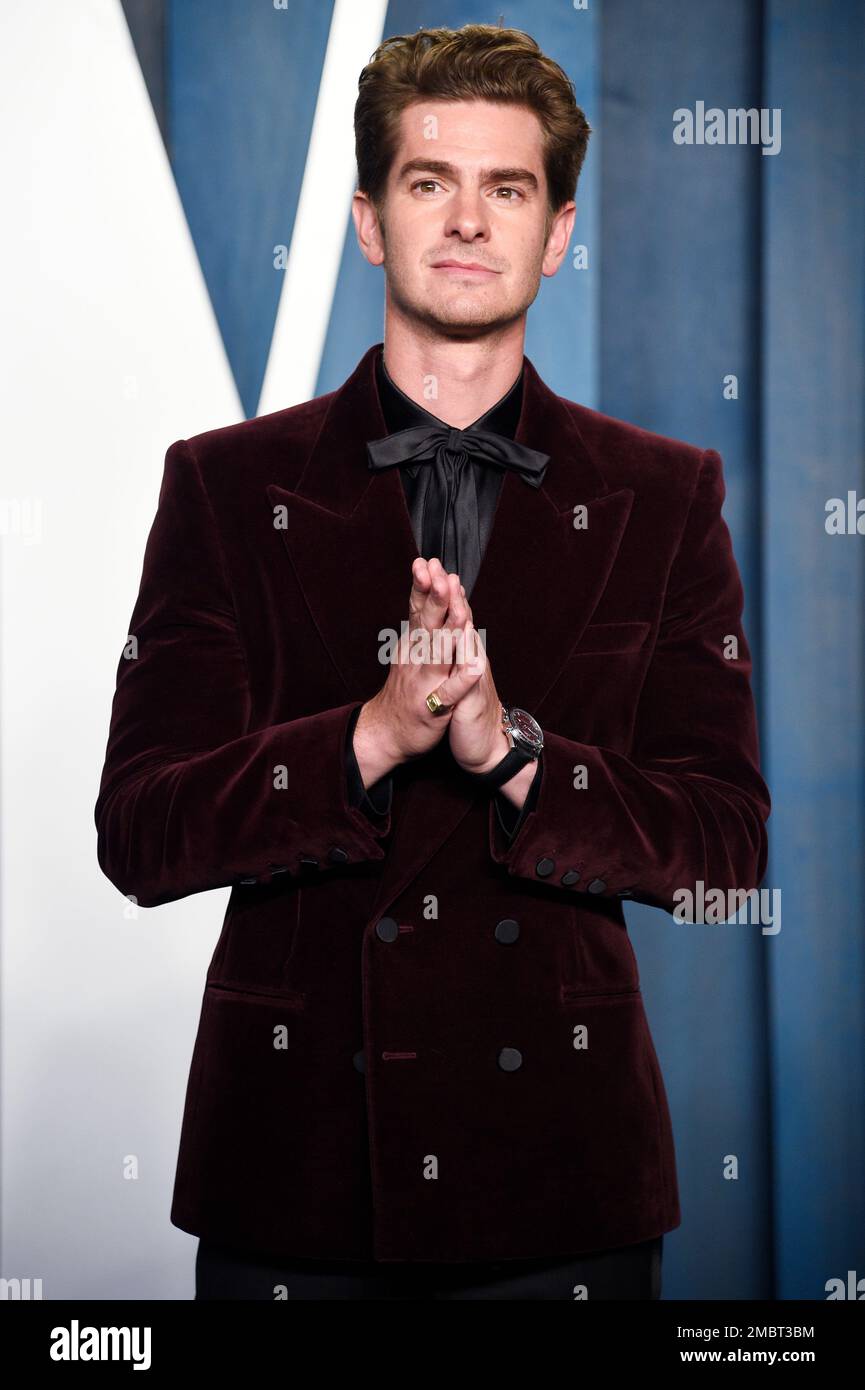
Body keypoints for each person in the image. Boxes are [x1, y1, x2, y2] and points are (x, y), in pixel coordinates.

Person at [94, 22, 770, 1301]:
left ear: (557, 233)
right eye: (428, 183)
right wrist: (370, 737)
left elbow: (725, 852)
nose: (467, 219)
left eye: (505, 188)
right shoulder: (224, 488)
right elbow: (140, 830)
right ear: (367, 220)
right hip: (291, 1185)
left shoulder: (667, 495)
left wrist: (510, 752)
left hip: (562, 1191)